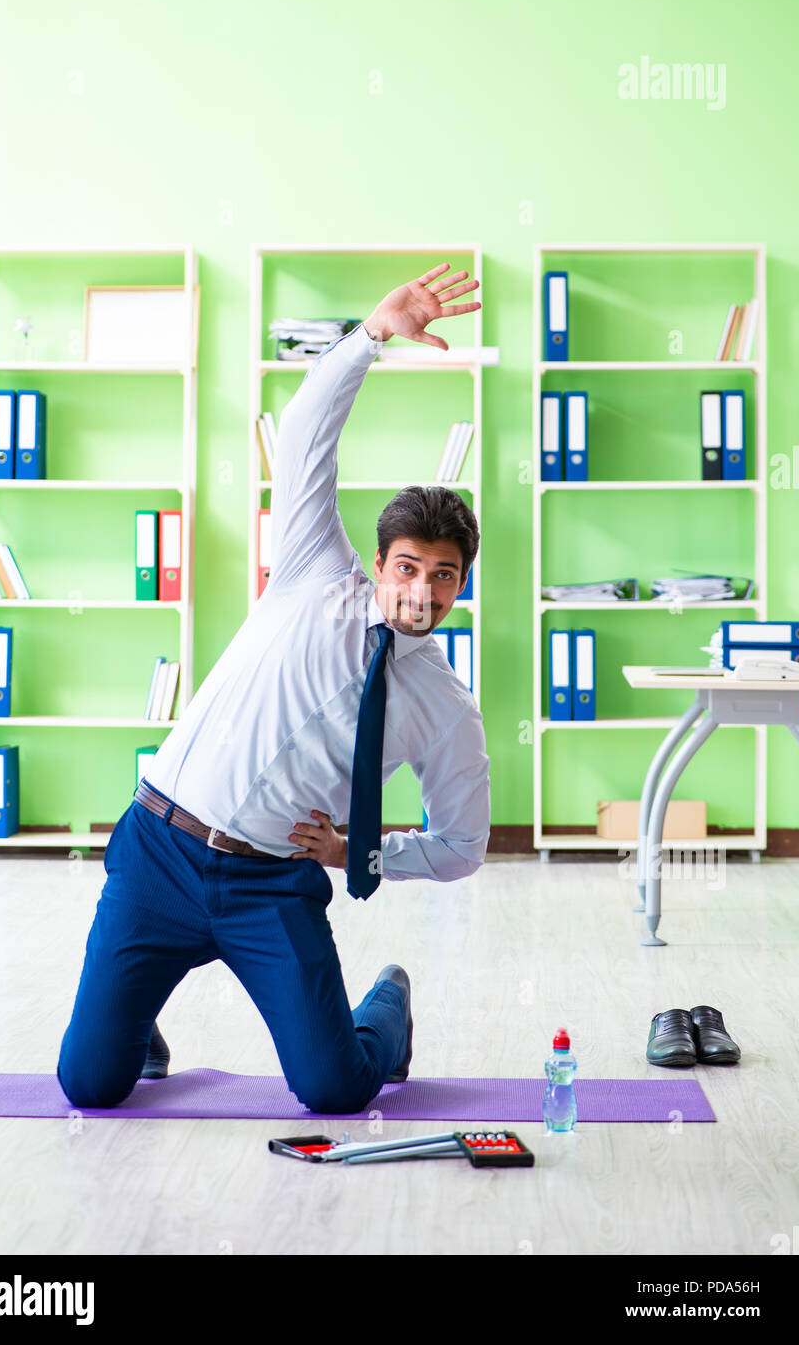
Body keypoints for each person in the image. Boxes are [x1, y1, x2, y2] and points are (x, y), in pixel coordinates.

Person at [56, 262, 491, 1115]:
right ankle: (129, 1016)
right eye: (408, 567)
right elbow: (302, 437)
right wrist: (369, 337)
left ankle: (385, 1012)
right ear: (377, 565)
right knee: (90, 1085)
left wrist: (361, 855)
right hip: (160, 855)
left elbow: (462, 843)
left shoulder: (444, 705)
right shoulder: (307, 573)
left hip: (269, 885)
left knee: (335, 1091)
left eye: (444, 575)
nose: (423, 590)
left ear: (461, 584)